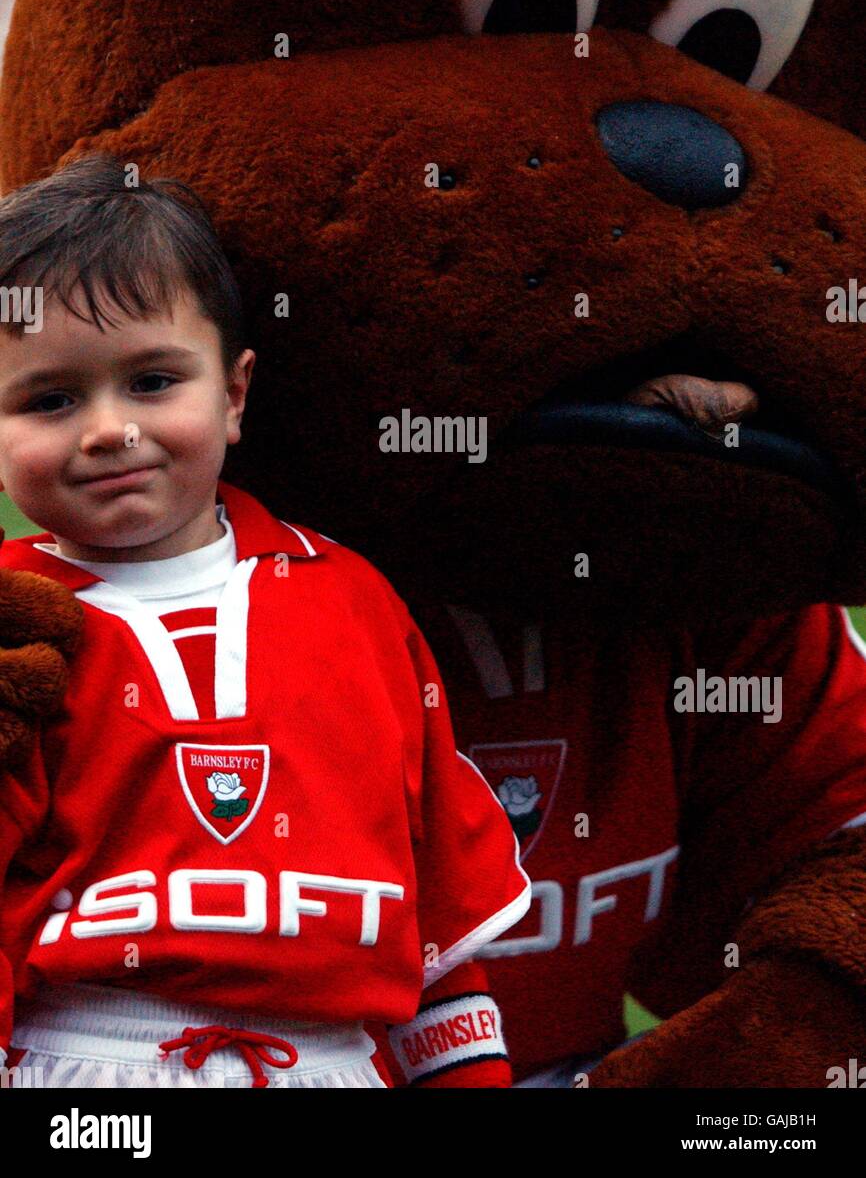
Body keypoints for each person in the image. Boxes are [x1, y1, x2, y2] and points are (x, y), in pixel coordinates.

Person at [0, 152, 530, 1089]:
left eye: (154, 381)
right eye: (51, 399)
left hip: (325, 1062)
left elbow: (437, 909)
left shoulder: (352, 599)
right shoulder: (13, 626)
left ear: (234, 393)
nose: (108, 428)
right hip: (78, 1064)